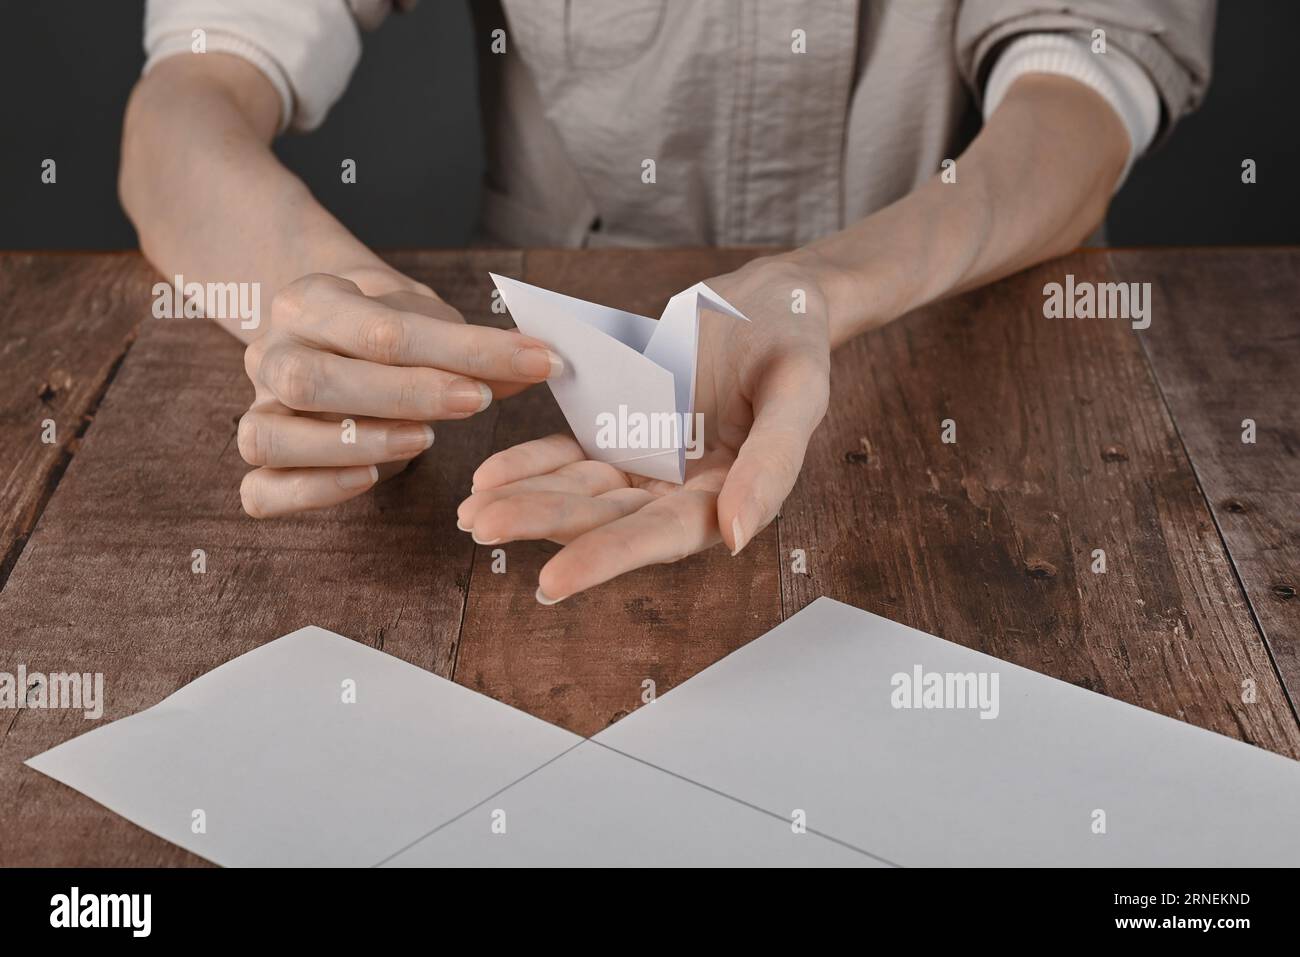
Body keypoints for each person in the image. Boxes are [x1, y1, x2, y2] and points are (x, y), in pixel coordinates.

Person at [120, 0, 1214, 602]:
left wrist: (819, 291)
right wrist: (350, 307)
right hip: (535, 404)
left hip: (974, 379)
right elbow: (188, 100)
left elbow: (1080, 100)